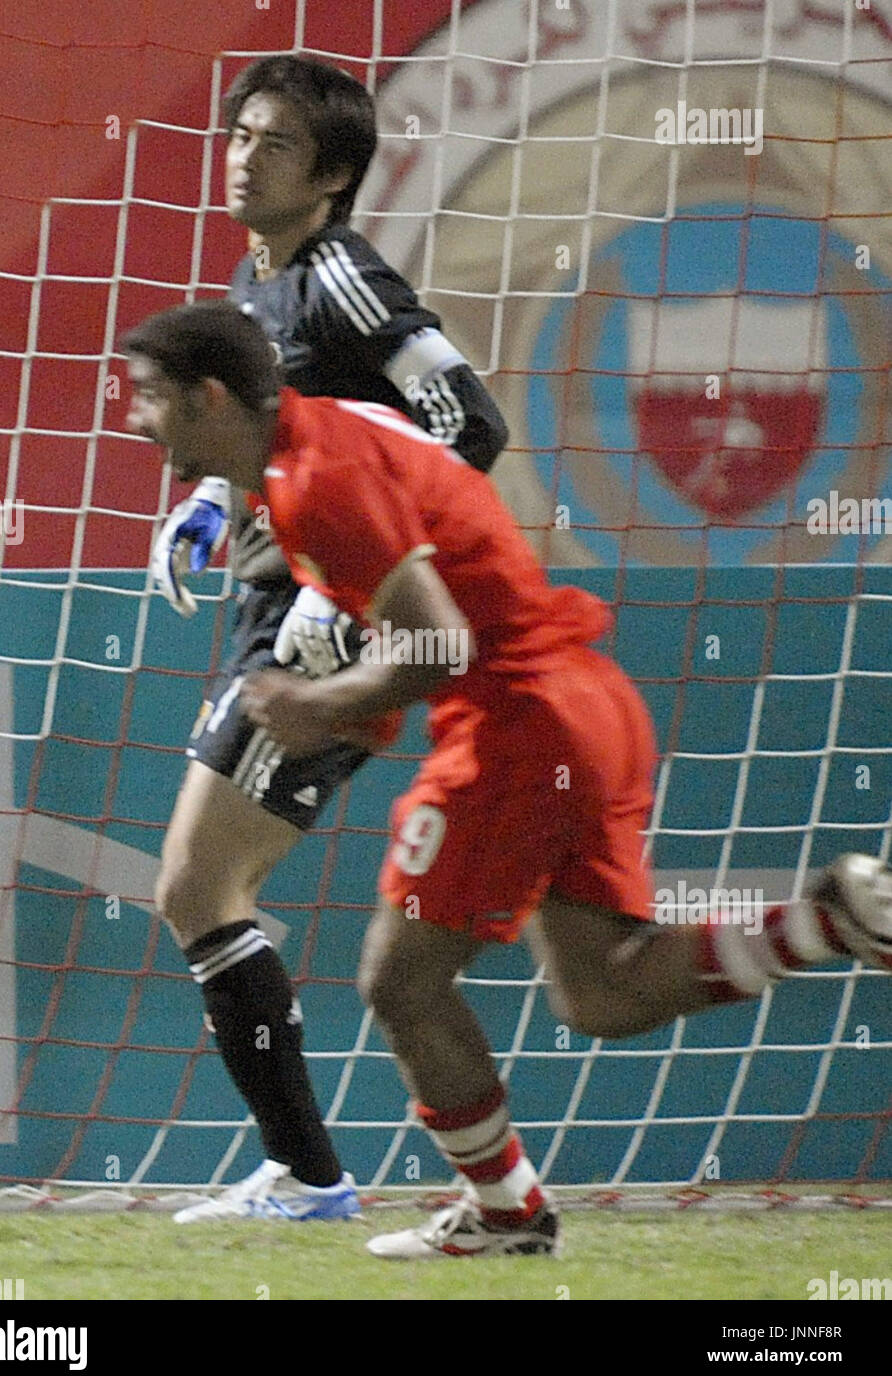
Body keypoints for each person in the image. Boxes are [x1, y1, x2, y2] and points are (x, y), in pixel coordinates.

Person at [124, 300, 892, 1257]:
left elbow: (438, 642)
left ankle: (506, 1212)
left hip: (518, 723)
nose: (133, 418)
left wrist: (322, 702)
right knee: (600, 997)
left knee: (400, 984)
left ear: (207, 398)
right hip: (587, 702)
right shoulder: (327, 432)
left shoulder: (315, 480)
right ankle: (825, 918)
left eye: (148, 396)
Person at [146, 56, 507, 1223]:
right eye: (239, 133)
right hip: (278, 606)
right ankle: (307, 1177)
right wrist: (206, 503)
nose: (244, 156)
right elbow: (272, 434)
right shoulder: (256, 287)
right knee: (201, 887)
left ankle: (311, 1182)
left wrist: (356, 585)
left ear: (335, 175)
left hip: (334, 628)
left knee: (200, 882)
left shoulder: (341, 276)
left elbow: (468, 419)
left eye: (277, 144)